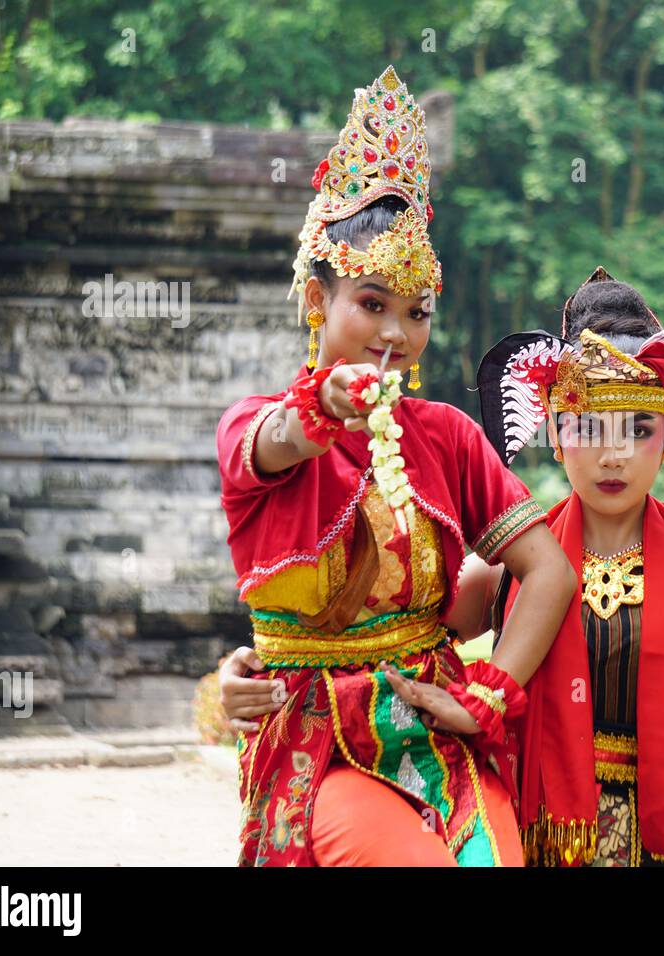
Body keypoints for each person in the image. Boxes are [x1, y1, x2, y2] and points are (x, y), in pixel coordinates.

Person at [221, 268, 664, 866]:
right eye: (587, 426)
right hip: (538, 834)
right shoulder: (506, 576)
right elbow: (369, 629)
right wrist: (245, 669)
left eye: (639, 428)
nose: (614, 452)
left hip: (659, 842)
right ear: (555, 435)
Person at [214, 65, 574, 867]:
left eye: (416, 313)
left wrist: (488, 695)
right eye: (371, 303)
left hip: (434, 729)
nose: (396, 334)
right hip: (316, 738)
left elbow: (549, 571)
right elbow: (279, 441)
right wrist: (325, 407)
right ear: (319, 302)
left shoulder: (444, 434)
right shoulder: (256, 425)